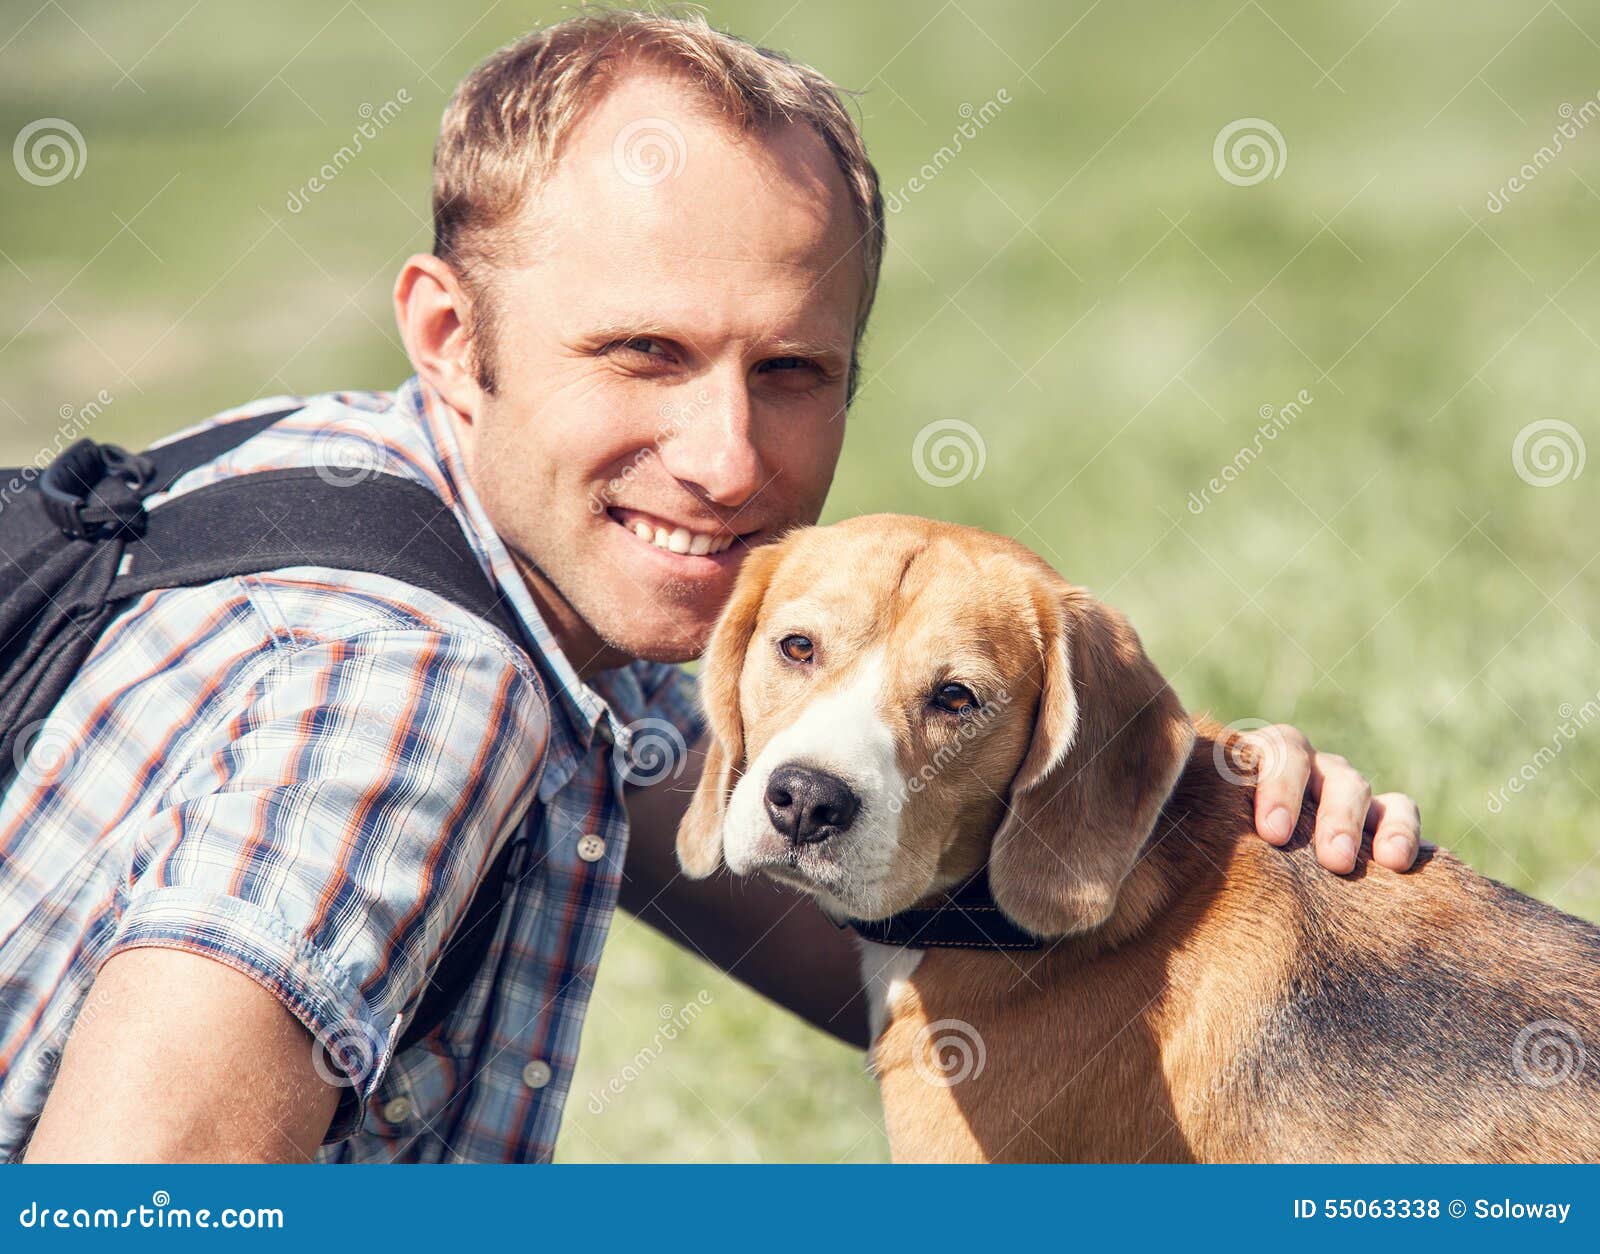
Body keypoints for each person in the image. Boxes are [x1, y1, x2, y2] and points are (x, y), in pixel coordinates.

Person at [3, 10, 1422, 1164]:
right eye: (642, 355)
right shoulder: (417, 691)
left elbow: (831, 861)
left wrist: (1178, 833)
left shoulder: (377, 483)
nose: (727, 460)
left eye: (790, 371)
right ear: (450, 329)